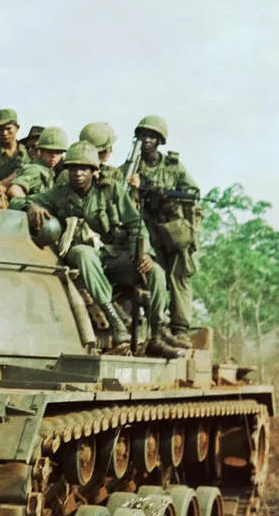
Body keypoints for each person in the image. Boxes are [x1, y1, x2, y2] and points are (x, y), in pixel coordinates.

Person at [24, 140, 185, 359]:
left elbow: (134, 225)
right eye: (72, 168)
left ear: (94, 171)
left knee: (155, 272)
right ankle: (116, 323)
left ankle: (155, 336)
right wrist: (30, 206)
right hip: (81, 255)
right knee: (83, 252)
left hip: (113, 255)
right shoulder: (60, 194)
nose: (77, 173)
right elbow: (21, 201)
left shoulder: (112, 191)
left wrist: (143, 253)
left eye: (83, 168)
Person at [128, 115, 200, 347]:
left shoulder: (173, 167)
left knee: (179, 277)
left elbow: (192, 193)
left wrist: (164, 195)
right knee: (150, 275)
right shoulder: (132, 168)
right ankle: (156, 328)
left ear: (159, 141)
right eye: (142, 136)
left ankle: (180, 330)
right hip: (147, 232)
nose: (146, 140)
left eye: (151, 136)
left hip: (174, 229)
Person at [7, 126, 67, 198]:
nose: (53, 155)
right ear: (41, 149)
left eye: (58, 152)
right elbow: (14, 190)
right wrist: (30, 205)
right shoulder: (34, 169)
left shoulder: (53, 170)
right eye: (27, 147)